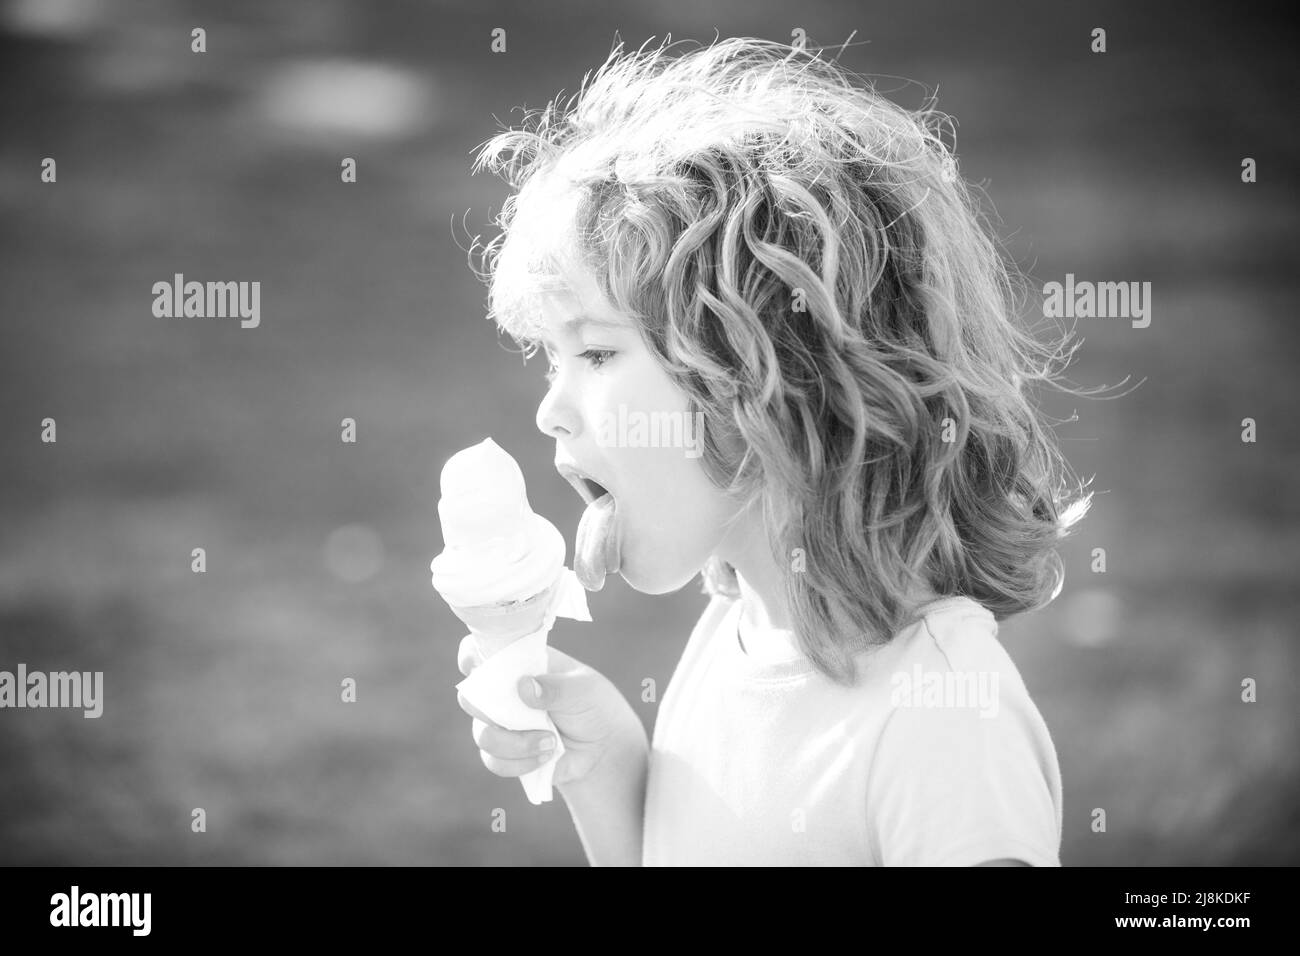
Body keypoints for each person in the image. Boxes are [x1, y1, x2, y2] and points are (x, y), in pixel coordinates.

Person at [455, 35, 1091, 866]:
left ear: (771, 380)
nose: (549, 412)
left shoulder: (943, 715)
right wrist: (607, 766)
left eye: (598, 353)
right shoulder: (734, 636)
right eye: (551, 360)